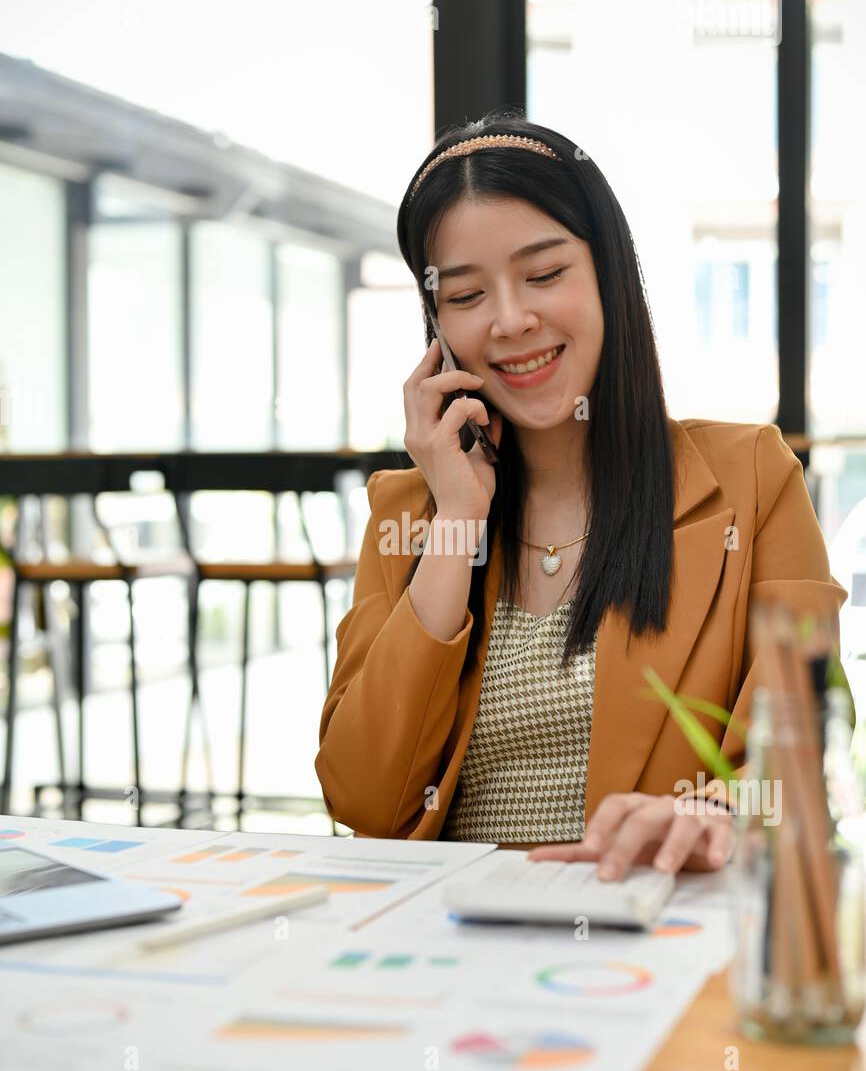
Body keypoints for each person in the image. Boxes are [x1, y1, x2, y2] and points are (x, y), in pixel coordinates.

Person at [315, 108, 846, 878]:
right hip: (449, 947)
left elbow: (807, 751)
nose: (511, 320)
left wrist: (711, 816)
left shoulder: (752, 479)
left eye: (544, 274)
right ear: (436, 329)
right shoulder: (411, 513)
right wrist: (459, 517)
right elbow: (361, 798)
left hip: (648, 944)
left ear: (609, 274)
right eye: (465, 297)